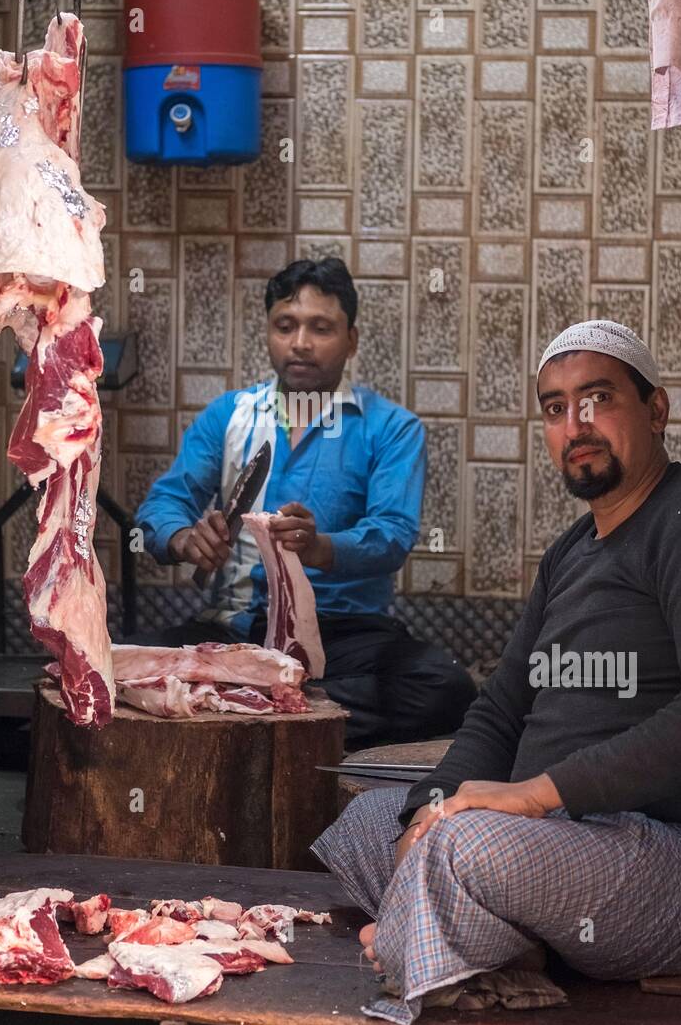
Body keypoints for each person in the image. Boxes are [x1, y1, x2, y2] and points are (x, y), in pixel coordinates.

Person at [313, 319, 681, 1025]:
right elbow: (502, 709)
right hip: (566, 841)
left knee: (463, 845)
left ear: (656, 411)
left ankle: (463, 943)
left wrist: (534, 796)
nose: (578, 424)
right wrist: (430, 809)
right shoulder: (572, 550)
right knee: (371, 821)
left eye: (599, 398)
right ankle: (488, 940)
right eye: (556, 408)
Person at [136, 256, 475, 748]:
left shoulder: (391, 427)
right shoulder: (229, 416)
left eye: (321, 328)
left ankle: (241, 716)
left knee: (444, 688)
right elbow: (162, 505)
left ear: (351, 340)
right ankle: (288, 713)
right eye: (286, 325)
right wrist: (184, 538)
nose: (300, 343)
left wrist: (320, 548)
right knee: (110, 662)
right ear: (269, 332)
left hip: (348, 637)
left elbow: (393, 535)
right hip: (237, 632)